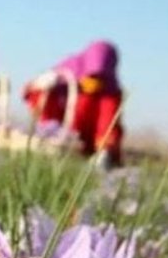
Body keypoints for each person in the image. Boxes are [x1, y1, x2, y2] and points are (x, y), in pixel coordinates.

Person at [23, 40, 125, 168]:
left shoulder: (110, 92)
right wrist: (37, 86)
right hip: (57, 138)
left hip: (88, 147)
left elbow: (108, 120)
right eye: (91, 76)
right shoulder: (66, 74)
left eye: (99, 78)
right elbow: (33, 96)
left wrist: (105, 148)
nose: (94, 81)